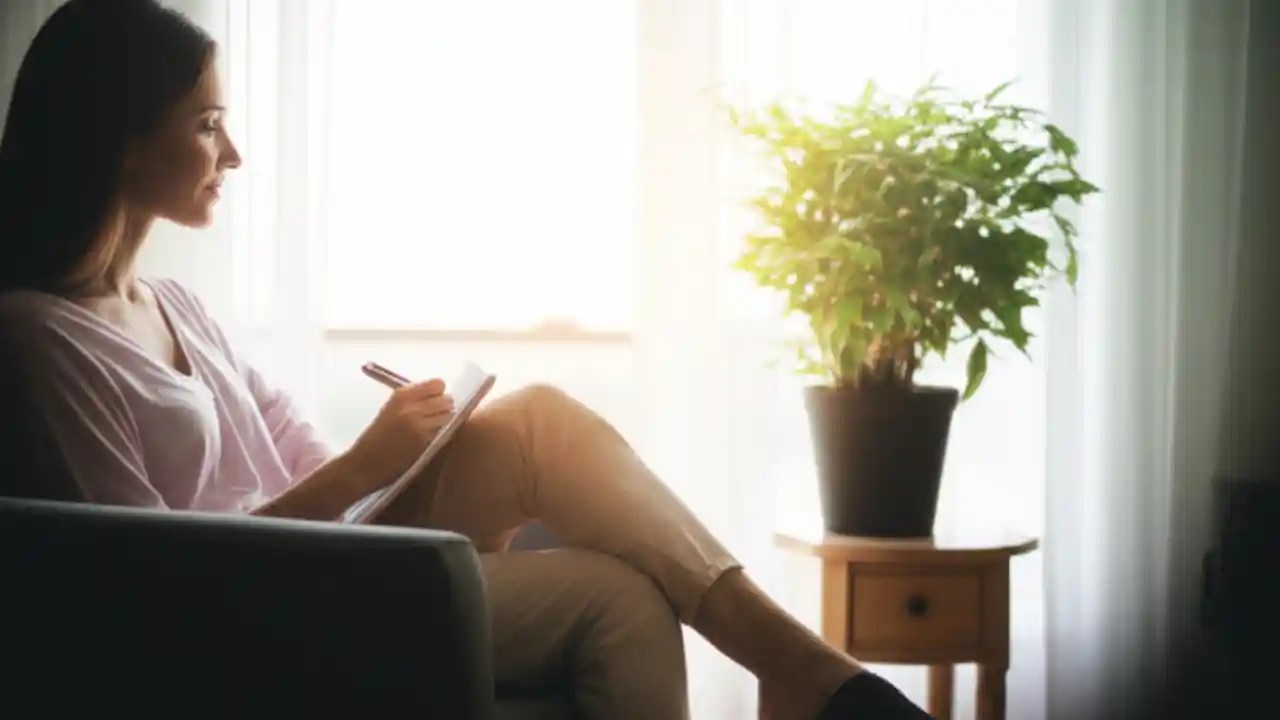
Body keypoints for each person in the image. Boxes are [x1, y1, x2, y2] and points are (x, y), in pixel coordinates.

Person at [0, 2, 932, 719]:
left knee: (537, 422)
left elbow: (301, 454)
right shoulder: (41, 337)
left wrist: (415, 469)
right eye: (207, 124)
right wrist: (370, 472)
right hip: (252, 612)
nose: (231, 152)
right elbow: (140, 584)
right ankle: (810, 678)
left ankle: (805, 674)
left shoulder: (178, 305)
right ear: (121, 140)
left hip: (318, 559)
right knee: (615, 595)